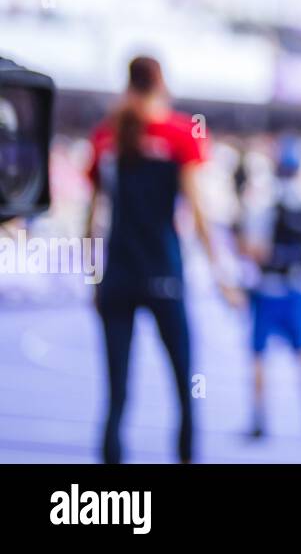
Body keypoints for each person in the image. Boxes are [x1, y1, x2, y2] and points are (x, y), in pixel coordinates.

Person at [84, 55, 241, 464]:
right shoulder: (179, 133)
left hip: (117, 276)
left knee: (116, 392)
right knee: (184, 383)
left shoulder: (106, 135)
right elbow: (197, 212)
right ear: (161, 83)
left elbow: (92, 218)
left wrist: (93, 276)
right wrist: (222, 275)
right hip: (163, 273)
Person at [237, 133, 301, 440]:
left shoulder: (265, 201)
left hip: (268, 290)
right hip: (296, 289)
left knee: (258, 356)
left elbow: (254, 250)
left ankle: (258, 419)